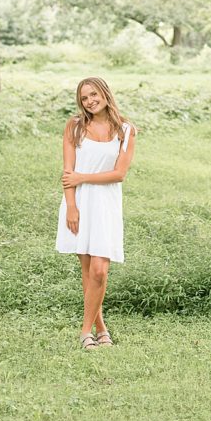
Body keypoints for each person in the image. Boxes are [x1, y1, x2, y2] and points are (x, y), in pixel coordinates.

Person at [55, 77, 137, 350]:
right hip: (79, 203)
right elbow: (68, 173)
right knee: (88, 270)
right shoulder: (75, 126)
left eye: (93, 94)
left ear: (104, 93)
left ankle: (85, 330)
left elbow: (119, 174)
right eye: (84, 98)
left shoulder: (125, 130)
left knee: (100, 271)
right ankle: (98, 330)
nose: (90, 101)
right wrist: (71, 207)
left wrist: (83, 177)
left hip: (106, 205)